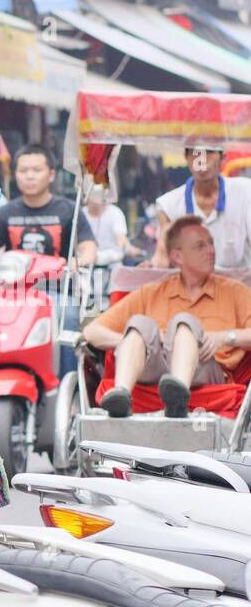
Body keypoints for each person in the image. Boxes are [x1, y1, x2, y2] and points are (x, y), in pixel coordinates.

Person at [85, 216, 251, 419]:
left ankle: (177, 399)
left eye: (211, 243)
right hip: (155, 366)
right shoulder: (151, 292)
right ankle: (122, 396)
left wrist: (226, 337)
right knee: (138, 325)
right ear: (177, 257)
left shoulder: (235, 291)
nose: (211, 251)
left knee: (184, 323)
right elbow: (92, 331)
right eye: (200, 246)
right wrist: (132, 342)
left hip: (207, 367)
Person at [0, 143, 95, 371]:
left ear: (51, 174)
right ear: (16, 175)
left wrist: (78, 261)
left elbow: (89, 248)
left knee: (67, 317)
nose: (30, 176)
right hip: (14, 293)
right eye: (23, 171)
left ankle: (65, 383)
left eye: (37, 170)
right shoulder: (5, 214)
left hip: (58, 290)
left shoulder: (69, 210)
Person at [153, 147, 251, 270]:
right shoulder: (168, 205)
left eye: (209, 151)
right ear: (186, 157)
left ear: (222, 157)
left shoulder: (246, 191)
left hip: (240, 286)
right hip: (192, 287)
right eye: (196, 152)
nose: (202, 160)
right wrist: (151, 267)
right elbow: (163, 260)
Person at [84, 184, 136, 265]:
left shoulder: (115, 213)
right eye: (94, 196)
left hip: (111, 261)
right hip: (86, 261)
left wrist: (125, 245)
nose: (96, 200)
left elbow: (121, 238)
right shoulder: (82, 213)